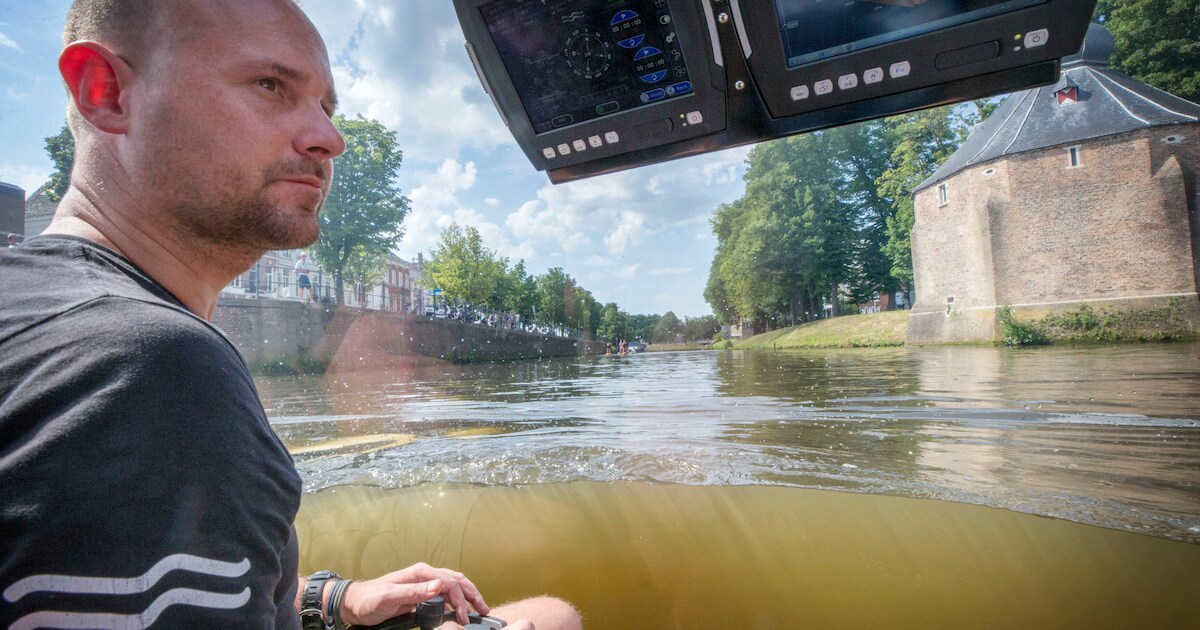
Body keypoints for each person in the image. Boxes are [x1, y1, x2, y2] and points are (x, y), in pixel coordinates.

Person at [0, 1, 582, 629]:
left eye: (327, 108)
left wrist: (332, 598)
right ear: (104, 91)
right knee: (549, 619)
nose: (329, 139)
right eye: (270, 85)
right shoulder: (153, 369)